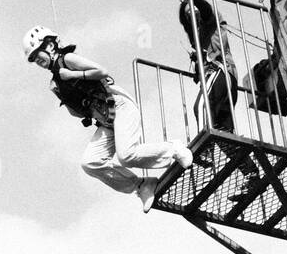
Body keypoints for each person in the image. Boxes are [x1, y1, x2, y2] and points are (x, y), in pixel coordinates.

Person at [24, 25, 193, 213]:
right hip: (105, 121)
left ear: (48, 45)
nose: (37, 60)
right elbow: (77, 113)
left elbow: (101, 71)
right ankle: (141, 185)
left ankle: (173, 149)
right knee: (90, 162)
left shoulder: (68, 60)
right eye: (33, 59)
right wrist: (64, 93)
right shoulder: (55, 82)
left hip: (119, 107)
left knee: (127, 155)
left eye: (37, 53)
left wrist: (72, 74)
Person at [176, 0, 261, 201]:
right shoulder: (198, 39)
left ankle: (205, 150)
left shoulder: (212, 23)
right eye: (188, 16)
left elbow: (205, 9)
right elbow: (188, 24)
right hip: (221, 84)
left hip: (222, 73)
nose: (192, 17)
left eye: (193, 13)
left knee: (201, 106)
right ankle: (251, 174)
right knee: (225, 135)